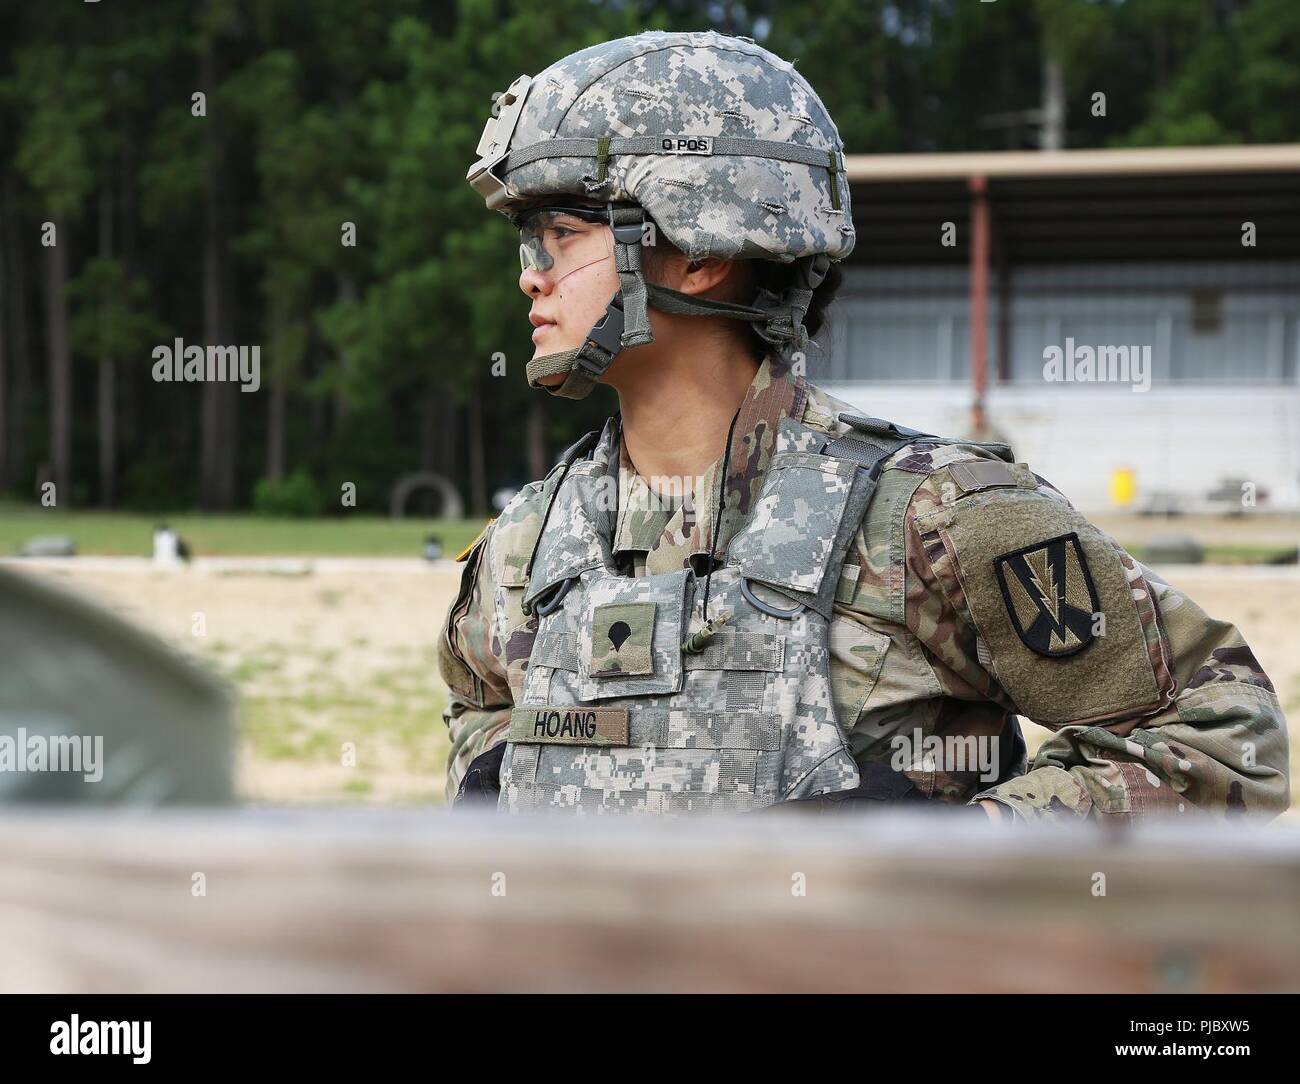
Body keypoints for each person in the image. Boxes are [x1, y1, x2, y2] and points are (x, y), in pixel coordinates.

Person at [439, 29, 1290, 823]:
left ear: (699, 252)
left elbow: (1222, 735)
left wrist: (940, 857)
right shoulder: (528, 544)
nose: (533, 278)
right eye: (530, 242)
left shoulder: (939, 519)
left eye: (561, 235)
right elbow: (479, 710)